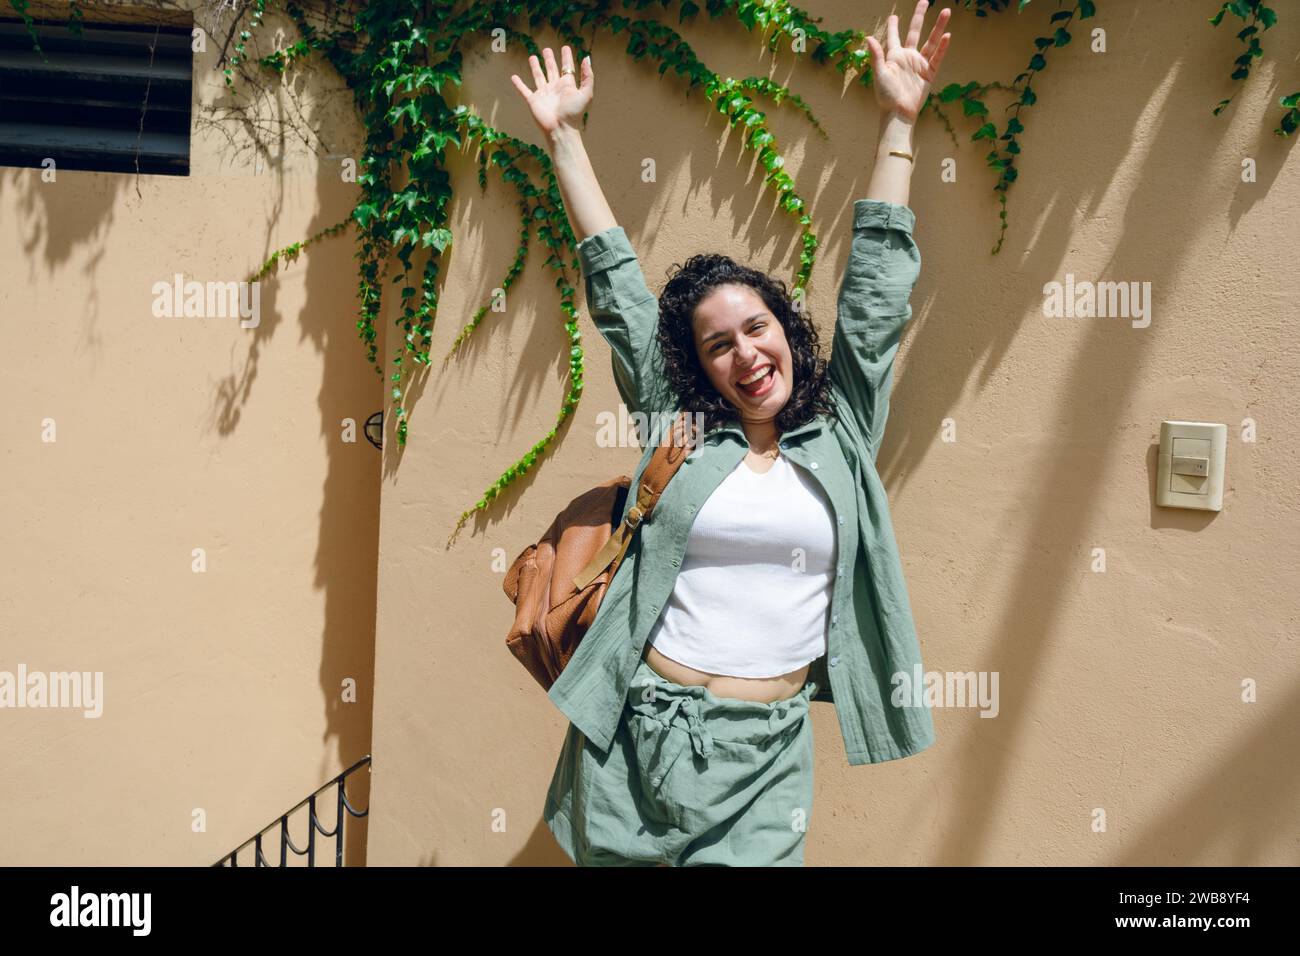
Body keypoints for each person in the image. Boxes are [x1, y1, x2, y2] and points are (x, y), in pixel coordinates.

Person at [510, 0, 953, 866]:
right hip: (635, 736)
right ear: (699, 366)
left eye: (757, 327)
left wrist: (898, 122)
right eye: (718, 344)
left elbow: (875, 300)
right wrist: (565, 140)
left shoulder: (843, 432)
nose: (745, 353)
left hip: (763, 758)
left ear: (786, 329)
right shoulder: (680, 431)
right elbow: (622, 298)